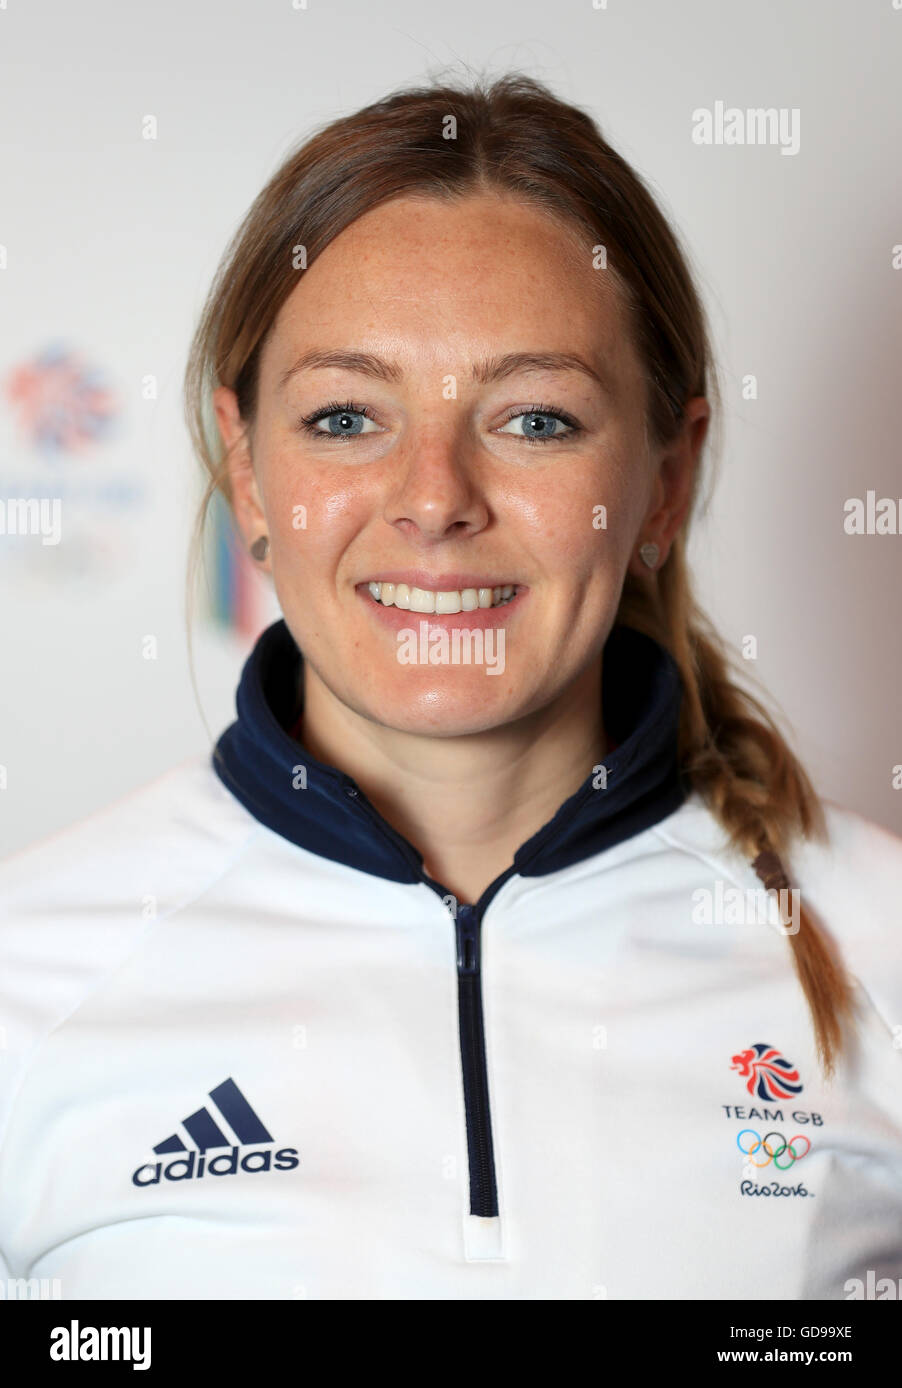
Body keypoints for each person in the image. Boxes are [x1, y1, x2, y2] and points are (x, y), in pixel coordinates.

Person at [1, 71, 900, 1301]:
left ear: (665, 479)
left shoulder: (878, 942)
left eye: (533, 420)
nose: (433, 497)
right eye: (343, 416)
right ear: (248, 476)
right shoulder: (28, 970)